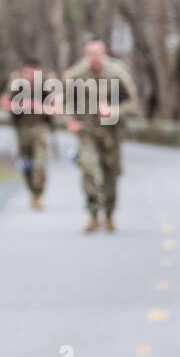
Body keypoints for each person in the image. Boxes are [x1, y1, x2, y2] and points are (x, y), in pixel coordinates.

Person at [60, 36, 137, 233]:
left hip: (112, 132)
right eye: (90, 54)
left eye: (98, 53)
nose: (95, 58)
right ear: (86, 55)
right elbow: (65, 101)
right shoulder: (76, 74)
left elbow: (133, 103)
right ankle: (93, 214)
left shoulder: (117, 72)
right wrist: (71, 121)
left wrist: (114, 110)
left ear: (104, 53)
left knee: (111, 173)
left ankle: (109, 214)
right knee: (88, 169)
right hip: (88, 131)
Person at [0, 57, 56, 210]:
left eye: (33, 73)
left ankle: (38, 192)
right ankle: (33, 192)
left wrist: (37, 107)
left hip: (39, 127)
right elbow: (3, 103)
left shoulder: (45, 86)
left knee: (40, 162)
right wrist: (21, 105)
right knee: (26, 164)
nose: (29, 76)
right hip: (22, 128)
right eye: (27, 73)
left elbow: (54, 108)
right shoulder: (15, 84)